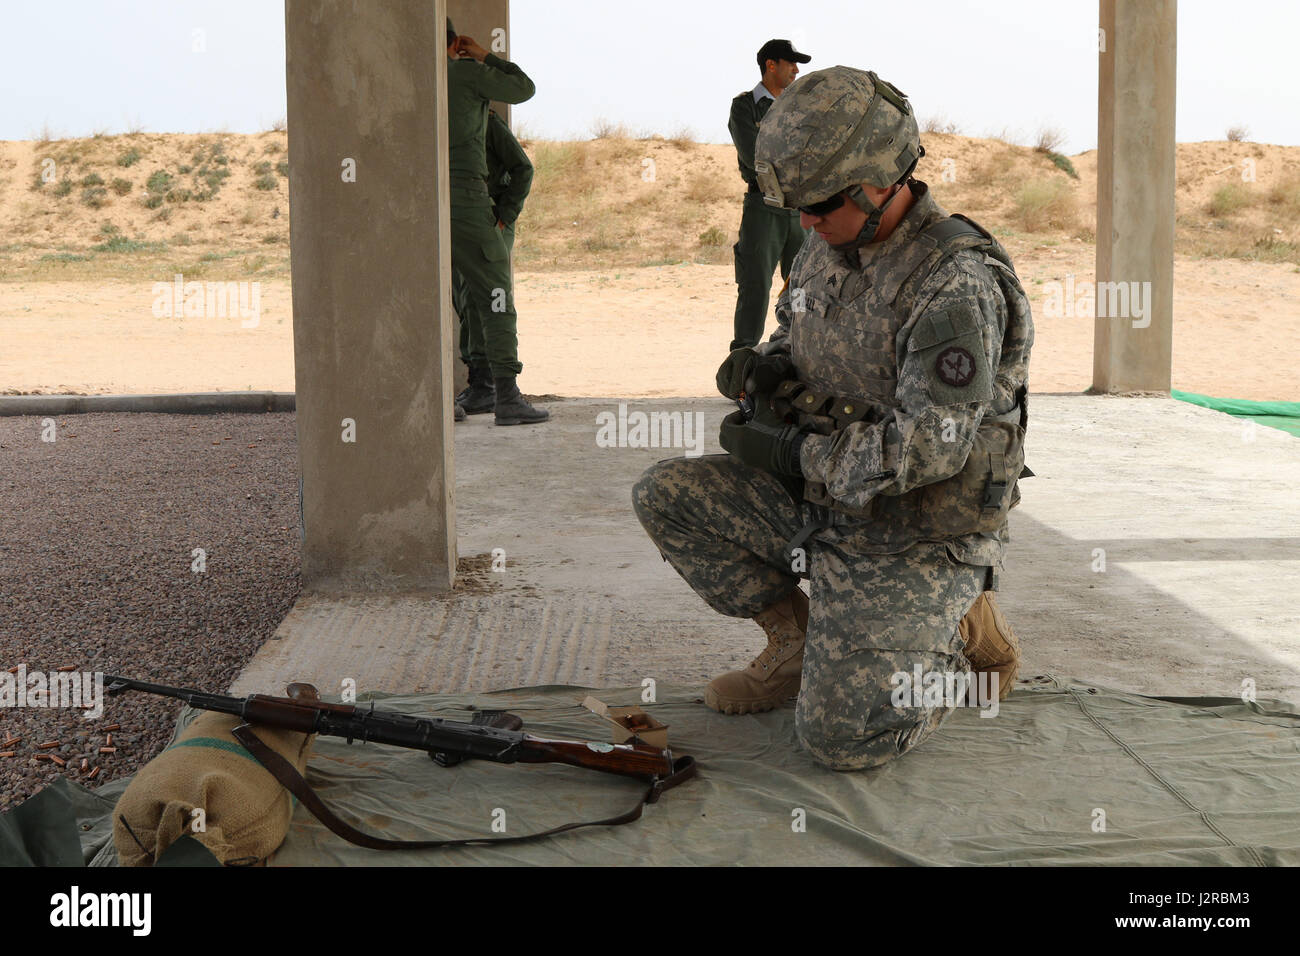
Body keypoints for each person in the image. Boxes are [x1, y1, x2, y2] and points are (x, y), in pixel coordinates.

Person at [633, 66, 1033, 771]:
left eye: (816, 205)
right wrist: (767, 363)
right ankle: (797, 645)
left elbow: (930, 447)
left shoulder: (953, 285)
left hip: (913, 531)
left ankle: (958, 621)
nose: (805, 222)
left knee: (844, 741)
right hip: (826, 505)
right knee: (668, 495)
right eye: (798, 208)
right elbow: (807, 333)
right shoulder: (829, 244)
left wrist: (795, 456)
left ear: (879, 182)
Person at [446, 21, 547, 425]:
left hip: (418, 198)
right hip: (465, 197)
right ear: (455, 43)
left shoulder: (406, 82)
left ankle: (452, 393)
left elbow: (522, 170)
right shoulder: (467, 74)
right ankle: (505, 396)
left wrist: (506, 215)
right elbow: (524, 88)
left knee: (447, 297)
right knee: (495, 296)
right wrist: (485, 55)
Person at [727, 39, 812, 352]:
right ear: (770, 65)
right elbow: (755, 158)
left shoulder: (801, 107)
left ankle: (803, 349)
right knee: (756, 287)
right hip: (764, 210)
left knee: (801, 286)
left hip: (801, 213)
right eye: (790, 63)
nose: (796, 70)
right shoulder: (745, 106)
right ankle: (743, 359)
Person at [454, 108, 535, 416]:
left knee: (483, 297)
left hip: (490, 219)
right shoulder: (448, 118)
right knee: (463, 297)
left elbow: (523, 168)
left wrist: (504, 215)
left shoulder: (486, 119)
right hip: (464, 218)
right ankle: (479, 382)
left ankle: (489, 387)